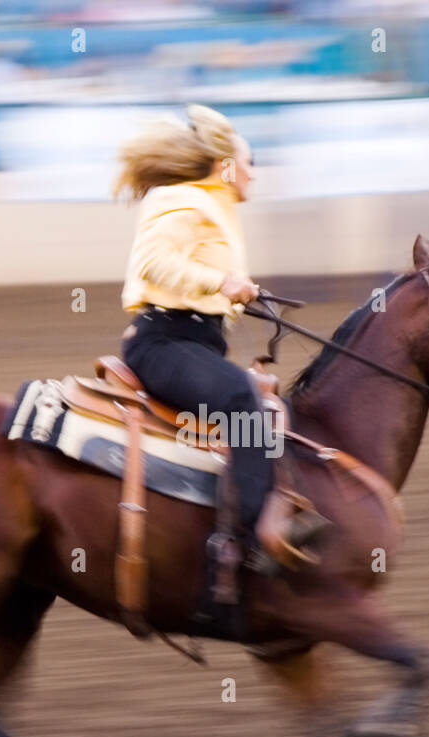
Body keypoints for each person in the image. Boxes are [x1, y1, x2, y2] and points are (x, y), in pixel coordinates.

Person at [113, 104, 324, 571]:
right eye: (248, 162)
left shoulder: (212, 206)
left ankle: (275, 507)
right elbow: (153, 263)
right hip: (166, 343)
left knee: (271, 406)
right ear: (226, 166)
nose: (253, 173)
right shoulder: (187, 200)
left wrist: (232, 291)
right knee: (241, 400)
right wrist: (221, 283)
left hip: (189, 340)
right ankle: (251, 541)